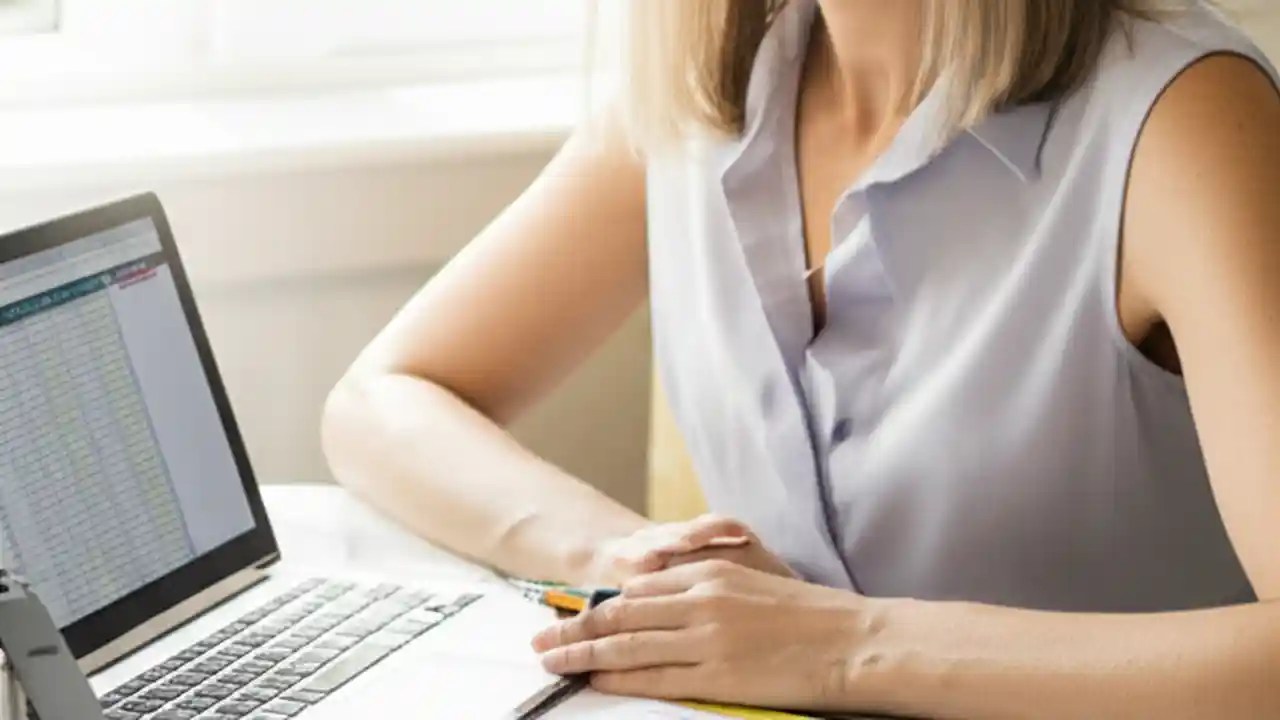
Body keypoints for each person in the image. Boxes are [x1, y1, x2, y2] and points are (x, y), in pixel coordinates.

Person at [322, 0, 1280, 716]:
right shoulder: (704, 101)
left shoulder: (1184, 123)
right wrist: (633, 563)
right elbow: (383, 400)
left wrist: (847, 649)